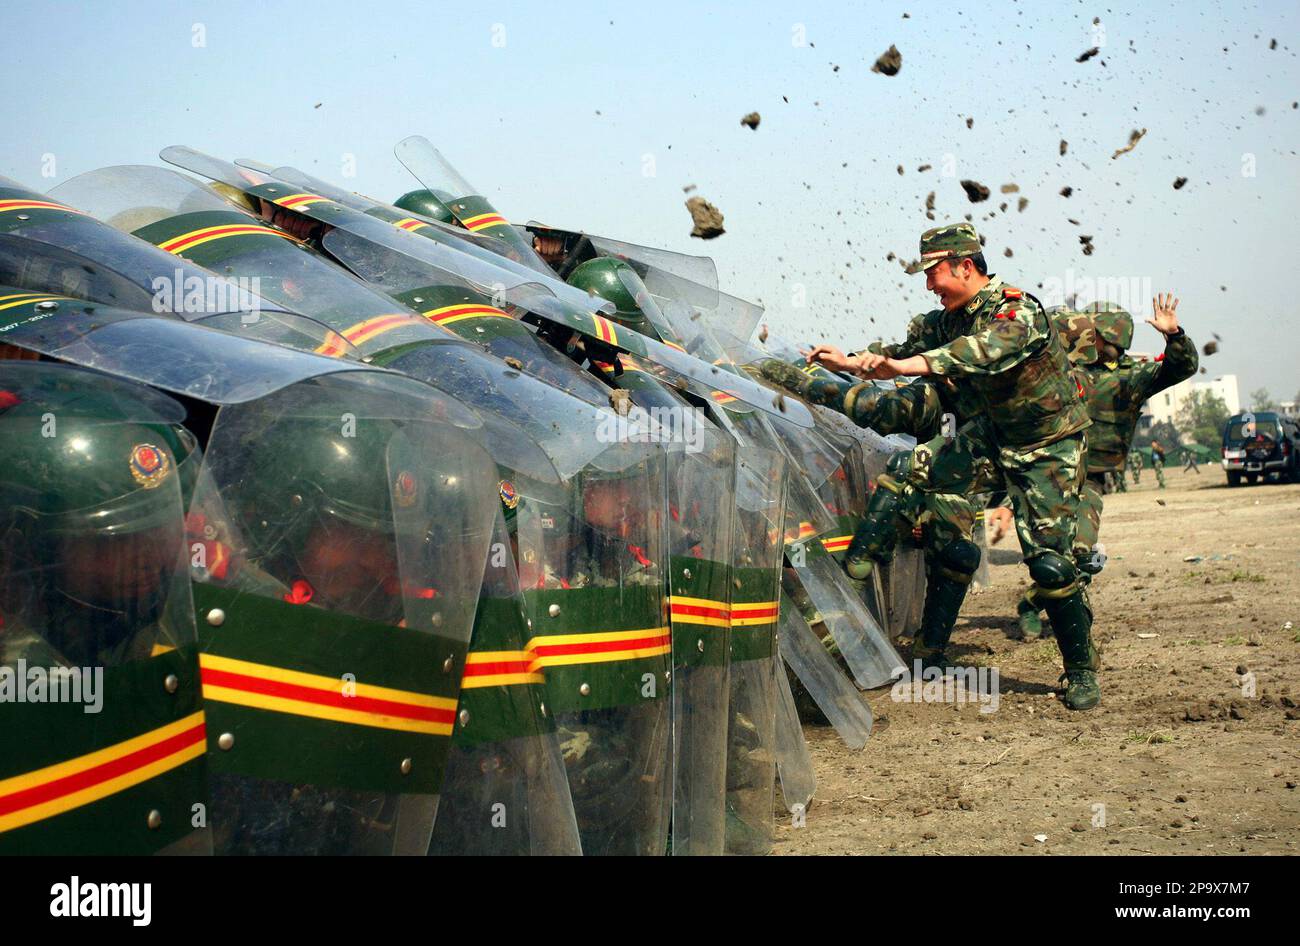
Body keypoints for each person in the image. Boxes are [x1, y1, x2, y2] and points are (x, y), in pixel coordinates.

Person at [797, 223, 1102, 709]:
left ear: (965, 265)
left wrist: (904, 369)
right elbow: (901, 350)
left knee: (1049, 564)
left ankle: (1081, 670)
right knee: (907, 469)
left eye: (934, 272)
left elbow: (977, 353)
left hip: (1048, 445)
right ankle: (849, 587)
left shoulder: (1018, 311)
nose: (929, 285)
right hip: (990, 436)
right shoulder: (949, 318)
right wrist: (852, 361)